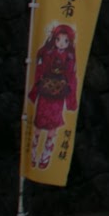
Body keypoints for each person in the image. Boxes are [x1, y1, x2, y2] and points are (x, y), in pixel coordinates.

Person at [27, 23, 78, 169]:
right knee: (38, 123)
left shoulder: (69, 56)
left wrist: (70, 100)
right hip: (45, 92)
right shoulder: (48, 53)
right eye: (58, 39)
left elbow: (71, 77)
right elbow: (39, 70)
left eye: (65, 40)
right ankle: (33, 153)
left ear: (70, 42)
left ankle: (45, 156)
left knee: (53, 127)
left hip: (58, 96)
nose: (61, 43)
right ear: (54, 39)